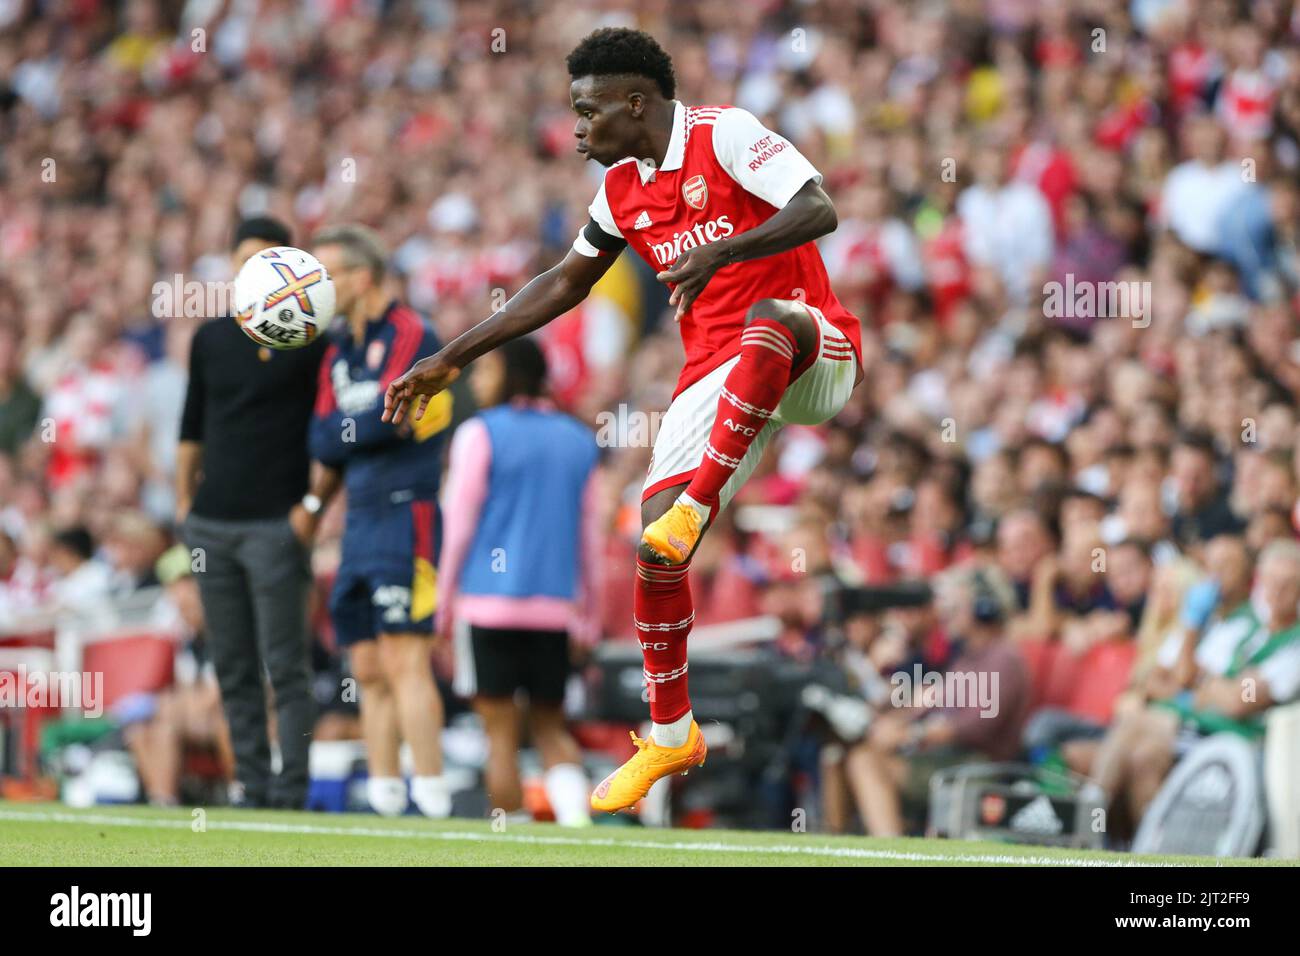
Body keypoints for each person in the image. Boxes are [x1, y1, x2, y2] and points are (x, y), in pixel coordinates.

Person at [384, 27, 863, 813]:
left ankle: (698, 505)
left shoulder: (727, 133)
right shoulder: (619, 191)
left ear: (634, 103)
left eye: (586, 111)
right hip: (717, 373)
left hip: (813, 346)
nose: (576, 128)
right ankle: (672, 733)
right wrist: (455, 355)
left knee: (771, 318)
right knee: (652, 546)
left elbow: (819, 206)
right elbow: (566, 281)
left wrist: (726, 252)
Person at [177, 216, 328, 809]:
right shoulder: (210, 339)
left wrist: (311, 510)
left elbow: (332, 433)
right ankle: (252, 785)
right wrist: (187, 506)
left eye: (268, 260)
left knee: (286, 668)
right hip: (213, 523)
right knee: (232, 665)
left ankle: (292, 792)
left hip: (276, 523)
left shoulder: (313, 339)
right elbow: (191, 428)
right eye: (247, 261)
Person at [307, 224, 454, 818]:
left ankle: (436, 793)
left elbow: (394, 415)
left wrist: (356, 427)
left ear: (361, 276)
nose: (318, 285)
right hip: (359, 520)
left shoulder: (413, 331)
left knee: (405, 656)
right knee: (365, 664)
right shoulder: (338, 346)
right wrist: (359, 425)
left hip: (407, 512)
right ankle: (388, 794)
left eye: (328, 273)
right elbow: (320, 436)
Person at [440, 337, 599, 827]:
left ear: (510, 373)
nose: (477, 380)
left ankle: (508, 832)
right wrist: (588, 616)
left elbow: (459, 525)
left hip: (487, 606)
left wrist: (443, 604)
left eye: (485, 370)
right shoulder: (577, 439)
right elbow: (588, 536)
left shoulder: (479, 433)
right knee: (552, 726)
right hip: (555, 609)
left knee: (500, 732)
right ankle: (578, 826)